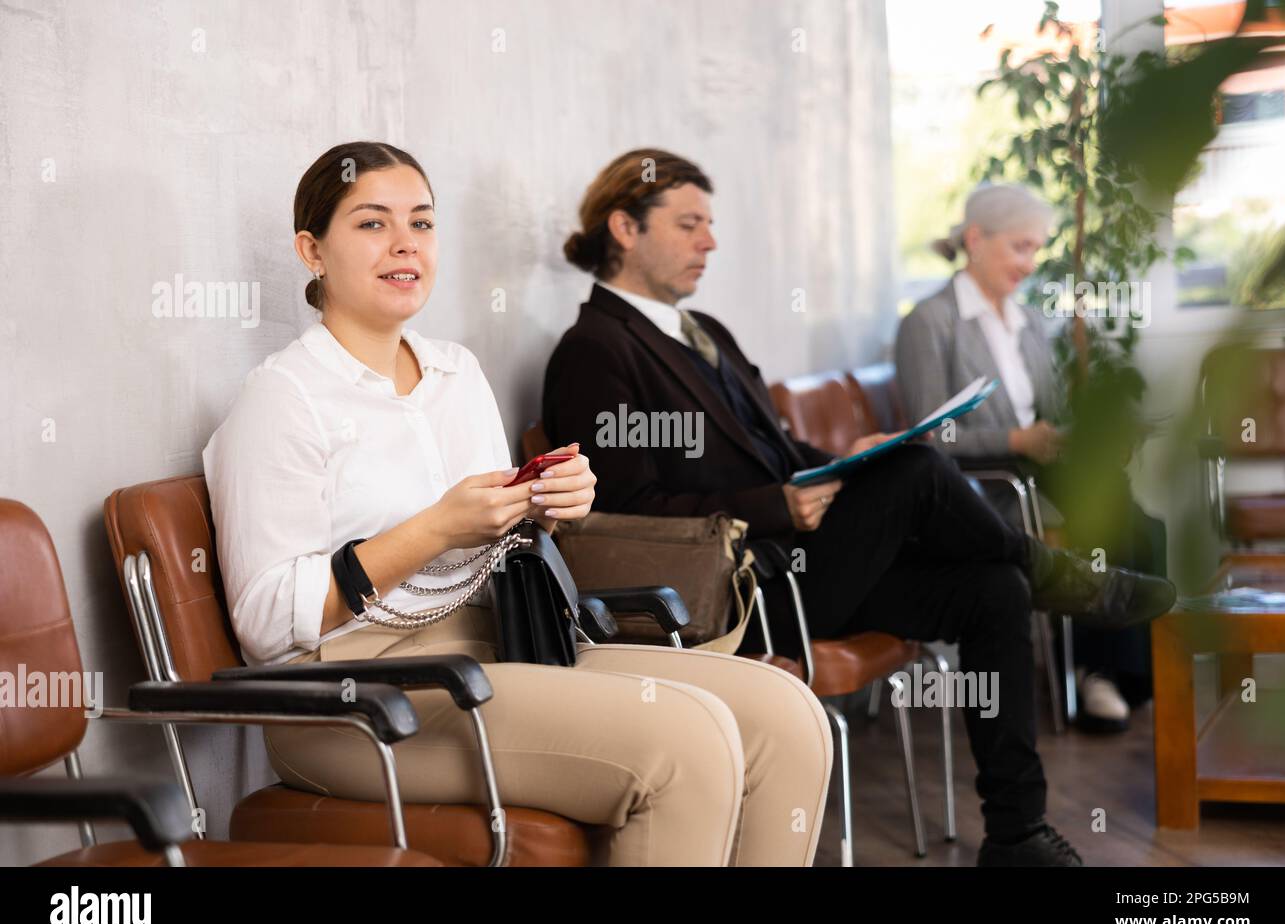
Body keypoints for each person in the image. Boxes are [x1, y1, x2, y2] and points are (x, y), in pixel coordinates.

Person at [201, 141, 834, 867]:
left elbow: (493, 540)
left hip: (497, 647)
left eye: (423, 223)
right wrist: (436, 527)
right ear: (312, 251)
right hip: (355, 698)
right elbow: (262, 623)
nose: (405, 242)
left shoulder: (455, 373)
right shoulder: (282, 399)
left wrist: (548, 506)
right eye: (372, 224)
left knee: (788, 719)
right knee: (684, 744)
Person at [542, 148, 1177, 866]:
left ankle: (1016, 832)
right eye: (689, 224)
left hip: (801, 570)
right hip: (733, 596)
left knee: (992, 588)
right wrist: (777, 506)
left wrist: (848, 461)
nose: (710, 242)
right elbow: (625, 512)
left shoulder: (706, 333)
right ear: (625, 227)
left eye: (709, 225)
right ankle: (1064, 579)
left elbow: (778, 450)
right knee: (920, 466)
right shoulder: (593, 350)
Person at [894, 183, 1166, 732]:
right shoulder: (929, 322)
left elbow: (1053, 409)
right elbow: (927, 436)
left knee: (1146, 526)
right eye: (1020, 247)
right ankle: (1095, 673)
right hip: (986, 482)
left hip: (1041, 467)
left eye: (1036, 248)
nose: (1030, 262)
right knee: (1108, 520)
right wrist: (1015, 442)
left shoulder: (1029, 321)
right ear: (975, 239)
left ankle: (1135, 676)